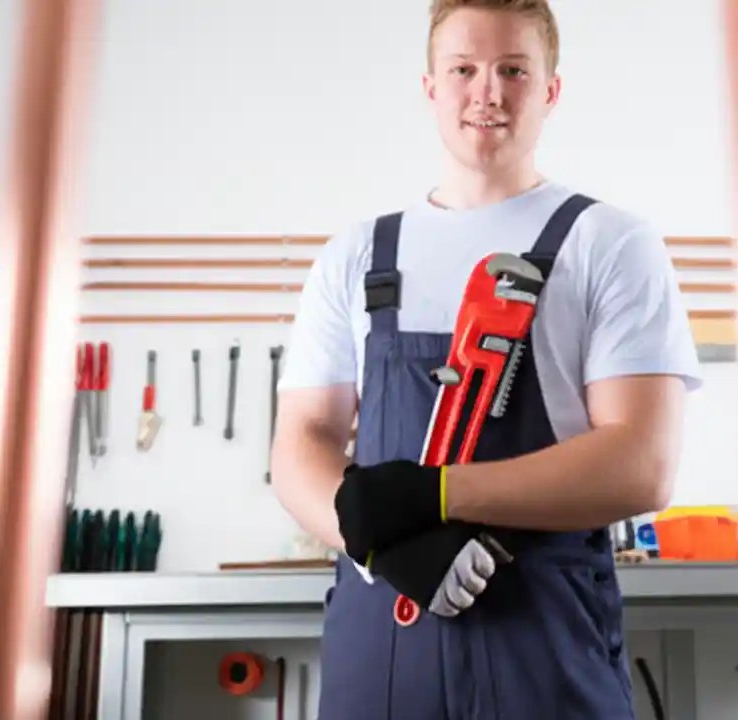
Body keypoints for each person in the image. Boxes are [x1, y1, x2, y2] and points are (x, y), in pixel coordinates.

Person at [271, 0, 701, 716]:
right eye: (464, 69)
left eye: (514, 70)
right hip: (384, 639)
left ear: (551, 90)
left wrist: (434, 495)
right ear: (430, 86)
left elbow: (643, 462)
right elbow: (299, 446)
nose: (488, 92)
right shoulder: (358, 255)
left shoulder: (609, 243)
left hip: (543, 636)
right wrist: (382, 549)